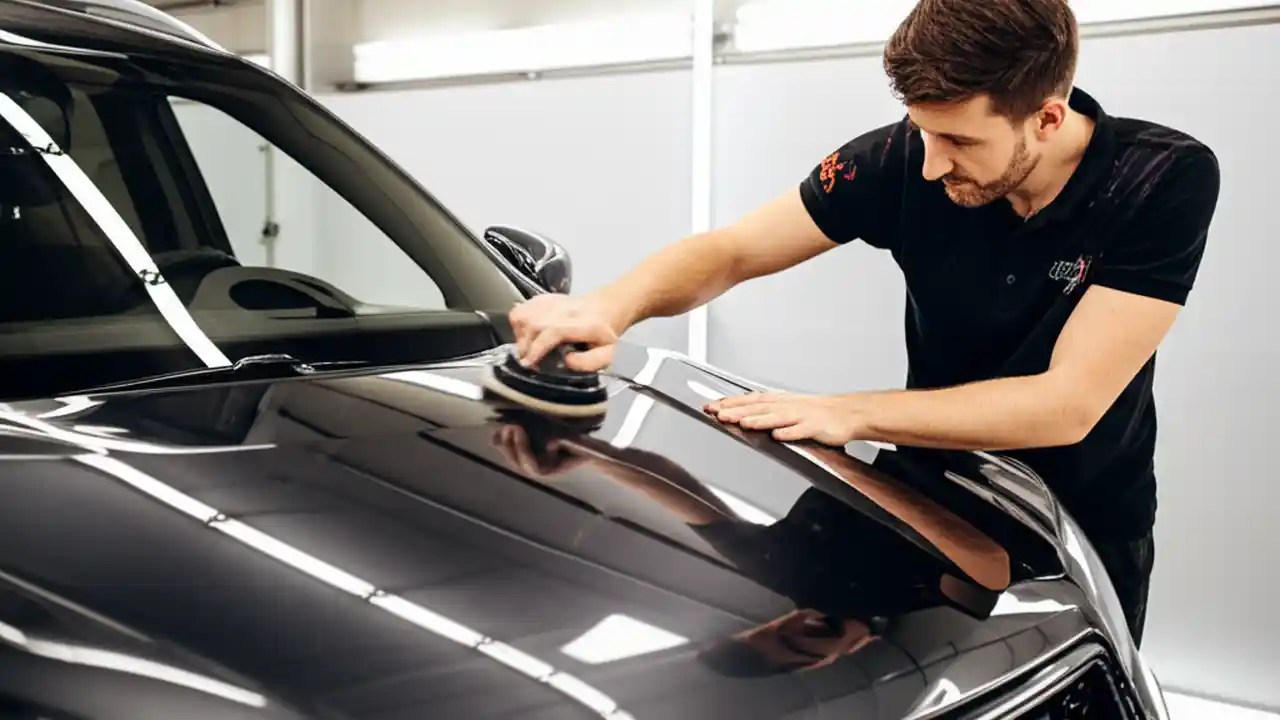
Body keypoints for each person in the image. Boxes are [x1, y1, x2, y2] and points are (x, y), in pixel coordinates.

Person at [507, 0, 1221, 648]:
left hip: (1079, 526)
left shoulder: (1160, 179)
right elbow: (734, 250)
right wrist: (609, 306)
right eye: (921, 130)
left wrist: (849, 413)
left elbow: (1067, 403)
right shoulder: (900, 156)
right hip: (928, 498)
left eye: (958, 139)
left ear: (1048, 118)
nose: (931, 164)